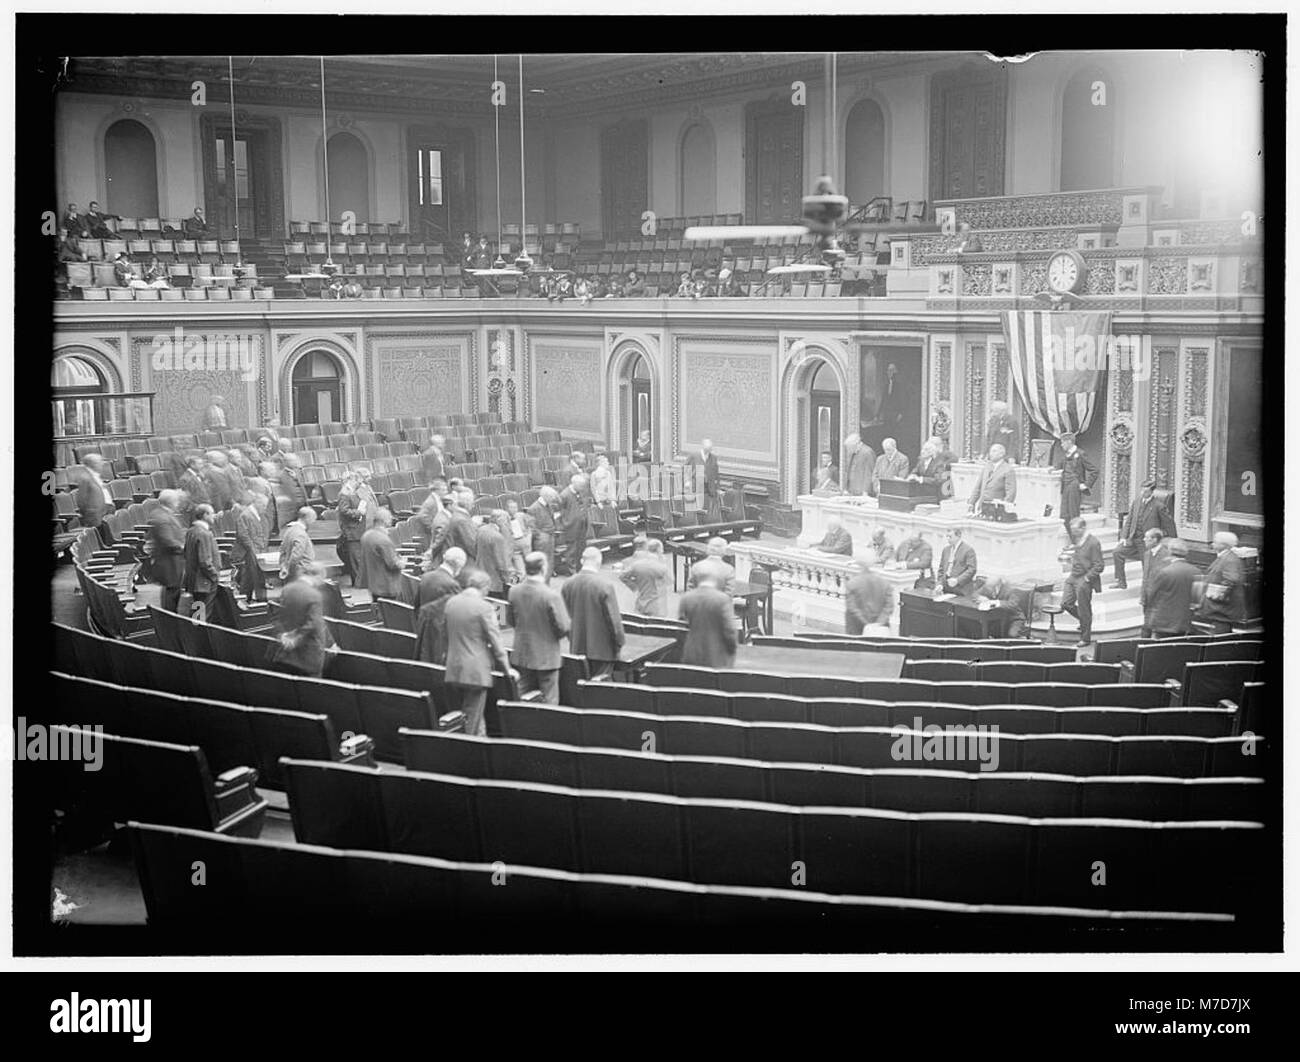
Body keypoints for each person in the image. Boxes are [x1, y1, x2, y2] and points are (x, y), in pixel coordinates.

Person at [443, 570, 518, 736]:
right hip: (475, 672)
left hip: (453, 667)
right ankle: (471, 751)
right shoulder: (485, 607)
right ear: (484, 588)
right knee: (472, 716)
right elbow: (496, 642)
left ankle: (481, 742)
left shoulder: (451, 603)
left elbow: (444, 636)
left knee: (473, 714)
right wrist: (507, 669)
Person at [507, 552, 571, 704]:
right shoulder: (551, 595)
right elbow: (564, 626)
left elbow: (510, 620)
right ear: (543, 568)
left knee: (520, 697)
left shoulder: (513, 591)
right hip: (546, 655)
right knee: (550, 700)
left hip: (522, 652)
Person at [561, 547, 626, 680]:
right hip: (603, 650)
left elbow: (564, 618)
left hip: (577, 647)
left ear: (581, 561)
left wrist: (572, 638)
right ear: (599, 562)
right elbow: (614, 621)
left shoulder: (567, 584)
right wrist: (619, 643)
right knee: (601, 691)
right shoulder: (604, 586)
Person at [1112, 481, 1177, 589]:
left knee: (1146, 566)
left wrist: (1173, 541)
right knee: (1117, 552)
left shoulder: (1159, 506)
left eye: (1146, 491)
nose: (1142, 492)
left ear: (1152, 492)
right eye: (1142, 490)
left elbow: (1169, 524)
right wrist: (1123, 537)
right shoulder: (1136, 502)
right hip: (1133, 539)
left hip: (1147, 543)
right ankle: (1121, 581)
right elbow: (1129, 521)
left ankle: (1148, 588)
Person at [270, 565, 330, 678]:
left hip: (286, 652)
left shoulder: (287, 589)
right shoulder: (314, 595)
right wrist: (296, 637)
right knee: (312, 689)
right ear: (317, 577)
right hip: (309, 653)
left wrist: (284, 635)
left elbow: (278, 615)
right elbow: (313, 623)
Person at [415, 547, 467, 665]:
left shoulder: (426, 577)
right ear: (457, 565)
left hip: (424, 633)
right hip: (441, 640)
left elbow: (417, 607)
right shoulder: (451, 584)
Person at [1060, 517, 1104, 646]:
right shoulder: (1077, 539)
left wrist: (1087, 578)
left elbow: (1099, 565)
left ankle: (1085, 638)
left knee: (1084, 608)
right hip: (1073, 576)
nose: (1073, 532)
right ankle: (1085, 621)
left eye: (1075, 529)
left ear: (1083, 528)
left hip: (1084, 578)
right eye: (1072, 529)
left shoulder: (1093, 542)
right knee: (1065, 604)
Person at [679, 574, 739, 668]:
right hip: (716, 654)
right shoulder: (722, 599)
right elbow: (729, 630)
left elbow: (681, 626)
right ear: (716, 582)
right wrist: (732, 649)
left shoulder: (686, 598)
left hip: (691, 653)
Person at [1145, 539, 1200, 638]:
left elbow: (1152, 596)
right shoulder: (1197, 571)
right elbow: (1197, 599)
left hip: (1163, 622)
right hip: (1185, 621)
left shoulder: (1164, 572)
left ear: (1170, 552)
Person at [1197, 531, 1247, 632]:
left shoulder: (1230, 560)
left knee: (1219, 636)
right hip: (1220, 609)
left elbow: (1231, 580)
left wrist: (1213, 596)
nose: (1212, 544)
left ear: (1224, 545)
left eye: (1215, 542)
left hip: (1222, 610)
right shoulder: (1225, 557)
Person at [146, 490, 187, 612]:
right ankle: (170, 620)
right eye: (177, 501)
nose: (178, 504)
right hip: (168, 562)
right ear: (171, 502)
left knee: (174, 591)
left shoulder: (162, 513)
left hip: (172, 561)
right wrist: (185, 547)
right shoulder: (161, 517)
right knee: (171, 593)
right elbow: (167, 541)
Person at [1054, 432, 1098, 530]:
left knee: (1074, 515)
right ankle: (1073, 541)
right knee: (1064, 516)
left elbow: (1094, 471)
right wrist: (1052, 469)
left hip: (1074, 486)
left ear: (1069, 442)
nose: (1061, 445)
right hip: (1065, 486)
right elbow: (1059, 466)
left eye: (1063, 442)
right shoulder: (1066, 455)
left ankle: (1078, 542)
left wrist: (1086, 485)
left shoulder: (1080, 454)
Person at [182, 504, 222, 612]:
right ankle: (200, 629)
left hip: (194, 581)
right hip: (204, 582)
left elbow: (185, 553)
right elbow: (205, 562)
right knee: (204, 614)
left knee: (198, 612)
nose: (214, 516)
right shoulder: (203, 533)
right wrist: (215, 576)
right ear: (205, 515)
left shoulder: (191, 531)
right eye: (212, 513)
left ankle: (196, 628)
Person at [619, 537, 672, 617]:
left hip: (640, 602)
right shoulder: (661, 567)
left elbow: (622, 576)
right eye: (662, 550)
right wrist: (663, 562)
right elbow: (670, 581)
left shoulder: (636, 565)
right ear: (658, 551)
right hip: (656, 606)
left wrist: (634, 586)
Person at [336, 470, 371, 586]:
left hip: (358, 529)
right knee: (355, 559)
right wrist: (358, 512)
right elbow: (344, 510)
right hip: (352, 530)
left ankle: (360, 582)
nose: (358, 483)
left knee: (359, 558)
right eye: (356, 480)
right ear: (350, 480)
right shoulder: (344, 494)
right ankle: (358, 583)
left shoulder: (352, 492)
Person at [844, 553, 894, 636]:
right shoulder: (885, 584)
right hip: (881, 627)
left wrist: (867, 624)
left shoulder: (852, 584)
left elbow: (852, 607)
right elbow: (889, 607)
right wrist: (879, 623)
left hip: (857, 626)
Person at [232, 493, 269, 603]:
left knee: (252, 578)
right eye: (264, 506)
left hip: (256, 551)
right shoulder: (245, 515)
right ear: (257, 503)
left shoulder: (256, 515)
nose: (265, 508)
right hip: (249, 552)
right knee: (249, 578)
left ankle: (249, 600)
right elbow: (244, 536)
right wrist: (254, 550)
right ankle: (244, 601)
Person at [361, 509, 405, 601]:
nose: (391, 520)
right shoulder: (383, 540)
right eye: (389, 518)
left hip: (373, 584)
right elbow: (393, 564)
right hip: (387, 586)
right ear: (385, 521)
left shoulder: (367, 535)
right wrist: (403, 562)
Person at [1138, 528, 1172, 638]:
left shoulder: (1166, 555)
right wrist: (1143, 596)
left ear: (1155, 540)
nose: (1144, 540)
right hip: (1147, 597)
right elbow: (1145, 576)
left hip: (1159, 598)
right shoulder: (1147, 554)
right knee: (1146, 624)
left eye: (1147, 538)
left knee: (1154, 627)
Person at [555, 474, 590, 576]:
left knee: (581, 548)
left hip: (582, 525)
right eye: (581, 485)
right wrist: (566, 522)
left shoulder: (580, 492)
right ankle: (572, 571)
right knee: (572, 550)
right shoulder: (564, 494)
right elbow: (558, 511)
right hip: (571, 526)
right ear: (574, 484)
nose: (583, 488)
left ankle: (580, 569)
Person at [73, 454, 114, 540]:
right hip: (95, 515)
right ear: (93, 464)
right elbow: (81, 500)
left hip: (103, 512)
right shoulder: (85, 478)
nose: (102, 464)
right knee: (101, 539)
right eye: (99, 462)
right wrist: (90, 513)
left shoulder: (95, 476)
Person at [968, 443, 1017, 513]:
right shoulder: (986, 467)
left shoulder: (1008, 470)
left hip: (996, 509)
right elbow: (978, 487)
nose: (991, 454)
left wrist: (1004, 508)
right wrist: (971, 503)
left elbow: (1011, 492)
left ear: (1001, 454)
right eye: (990, 451)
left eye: (994, 451)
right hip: (982, 507)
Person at [473, 509, 514, 595]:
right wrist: (507, 580)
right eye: (506, 521)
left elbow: (475, 549)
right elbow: (501, 563)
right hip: (494, 580)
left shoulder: (481, 530)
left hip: (480, 573)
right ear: (500, 521)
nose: (507, 524)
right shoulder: (498, 537)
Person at [278, 506, 317, 583]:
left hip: (291, 572)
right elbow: (296, 556)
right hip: (300, 573)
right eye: (313, 519)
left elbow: (282, 551)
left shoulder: (289, 530)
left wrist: (284, 567)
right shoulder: (301, 534)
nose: (313, 522)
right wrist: (290, 571)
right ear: (307, 518)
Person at [526, 486, 560, 571]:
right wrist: (540, 537)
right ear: (546, 496)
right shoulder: (533, 508)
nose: (553, 499)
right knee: (542, 562)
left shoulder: (549, 505)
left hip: (550, 535)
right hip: (542, 539)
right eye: (552, 497)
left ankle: (547, 582)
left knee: (550, 562)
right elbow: (532, 527)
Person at [937, 528, 978, 597]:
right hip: (946, 588)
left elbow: (972, 569)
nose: (948, 539)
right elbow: (941, 569)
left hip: (961, 590)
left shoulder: (968, 550)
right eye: (947, 536)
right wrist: (939, 583)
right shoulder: (946, 550)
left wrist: (957, 580)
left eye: (950, 536)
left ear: (958, 536)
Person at [874, 363, 906, 440]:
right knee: (886, 435)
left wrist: (901, 413)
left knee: (895, 435)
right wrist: (877, 415)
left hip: (896, 415)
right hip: (887, 415)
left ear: (896, 372)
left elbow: (904, 400)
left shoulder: (900, 385)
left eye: (891, 370)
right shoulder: (886, 385)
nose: (889, 372)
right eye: (888, 370)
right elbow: (883, 401)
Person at [504, 498, 533, 576]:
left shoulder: (521, 515)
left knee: (531, 566)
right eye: (512, 507)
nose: (514, 509)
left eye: (515, 507)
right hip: (514, 545)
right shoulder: (503, 519)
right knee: (520, 571)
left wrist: (528, 537)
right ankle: (517, 584)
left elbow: (530, 526)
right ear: (506, 508)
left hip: (524, 542)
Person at [697, 438, 721, 521]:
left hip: (709, 487)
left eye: (710, 448)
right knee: (698, 507)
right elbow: (686, 468)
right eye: (707, 448)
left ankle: (707, 522)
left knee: (708, 507)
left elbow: (716, 474)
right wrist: (687, 481)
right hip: (697, 487)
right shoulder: (694, 456)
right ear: (703, 447)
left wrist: (718, 488)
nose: (709, 450)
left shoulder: (714, 457)